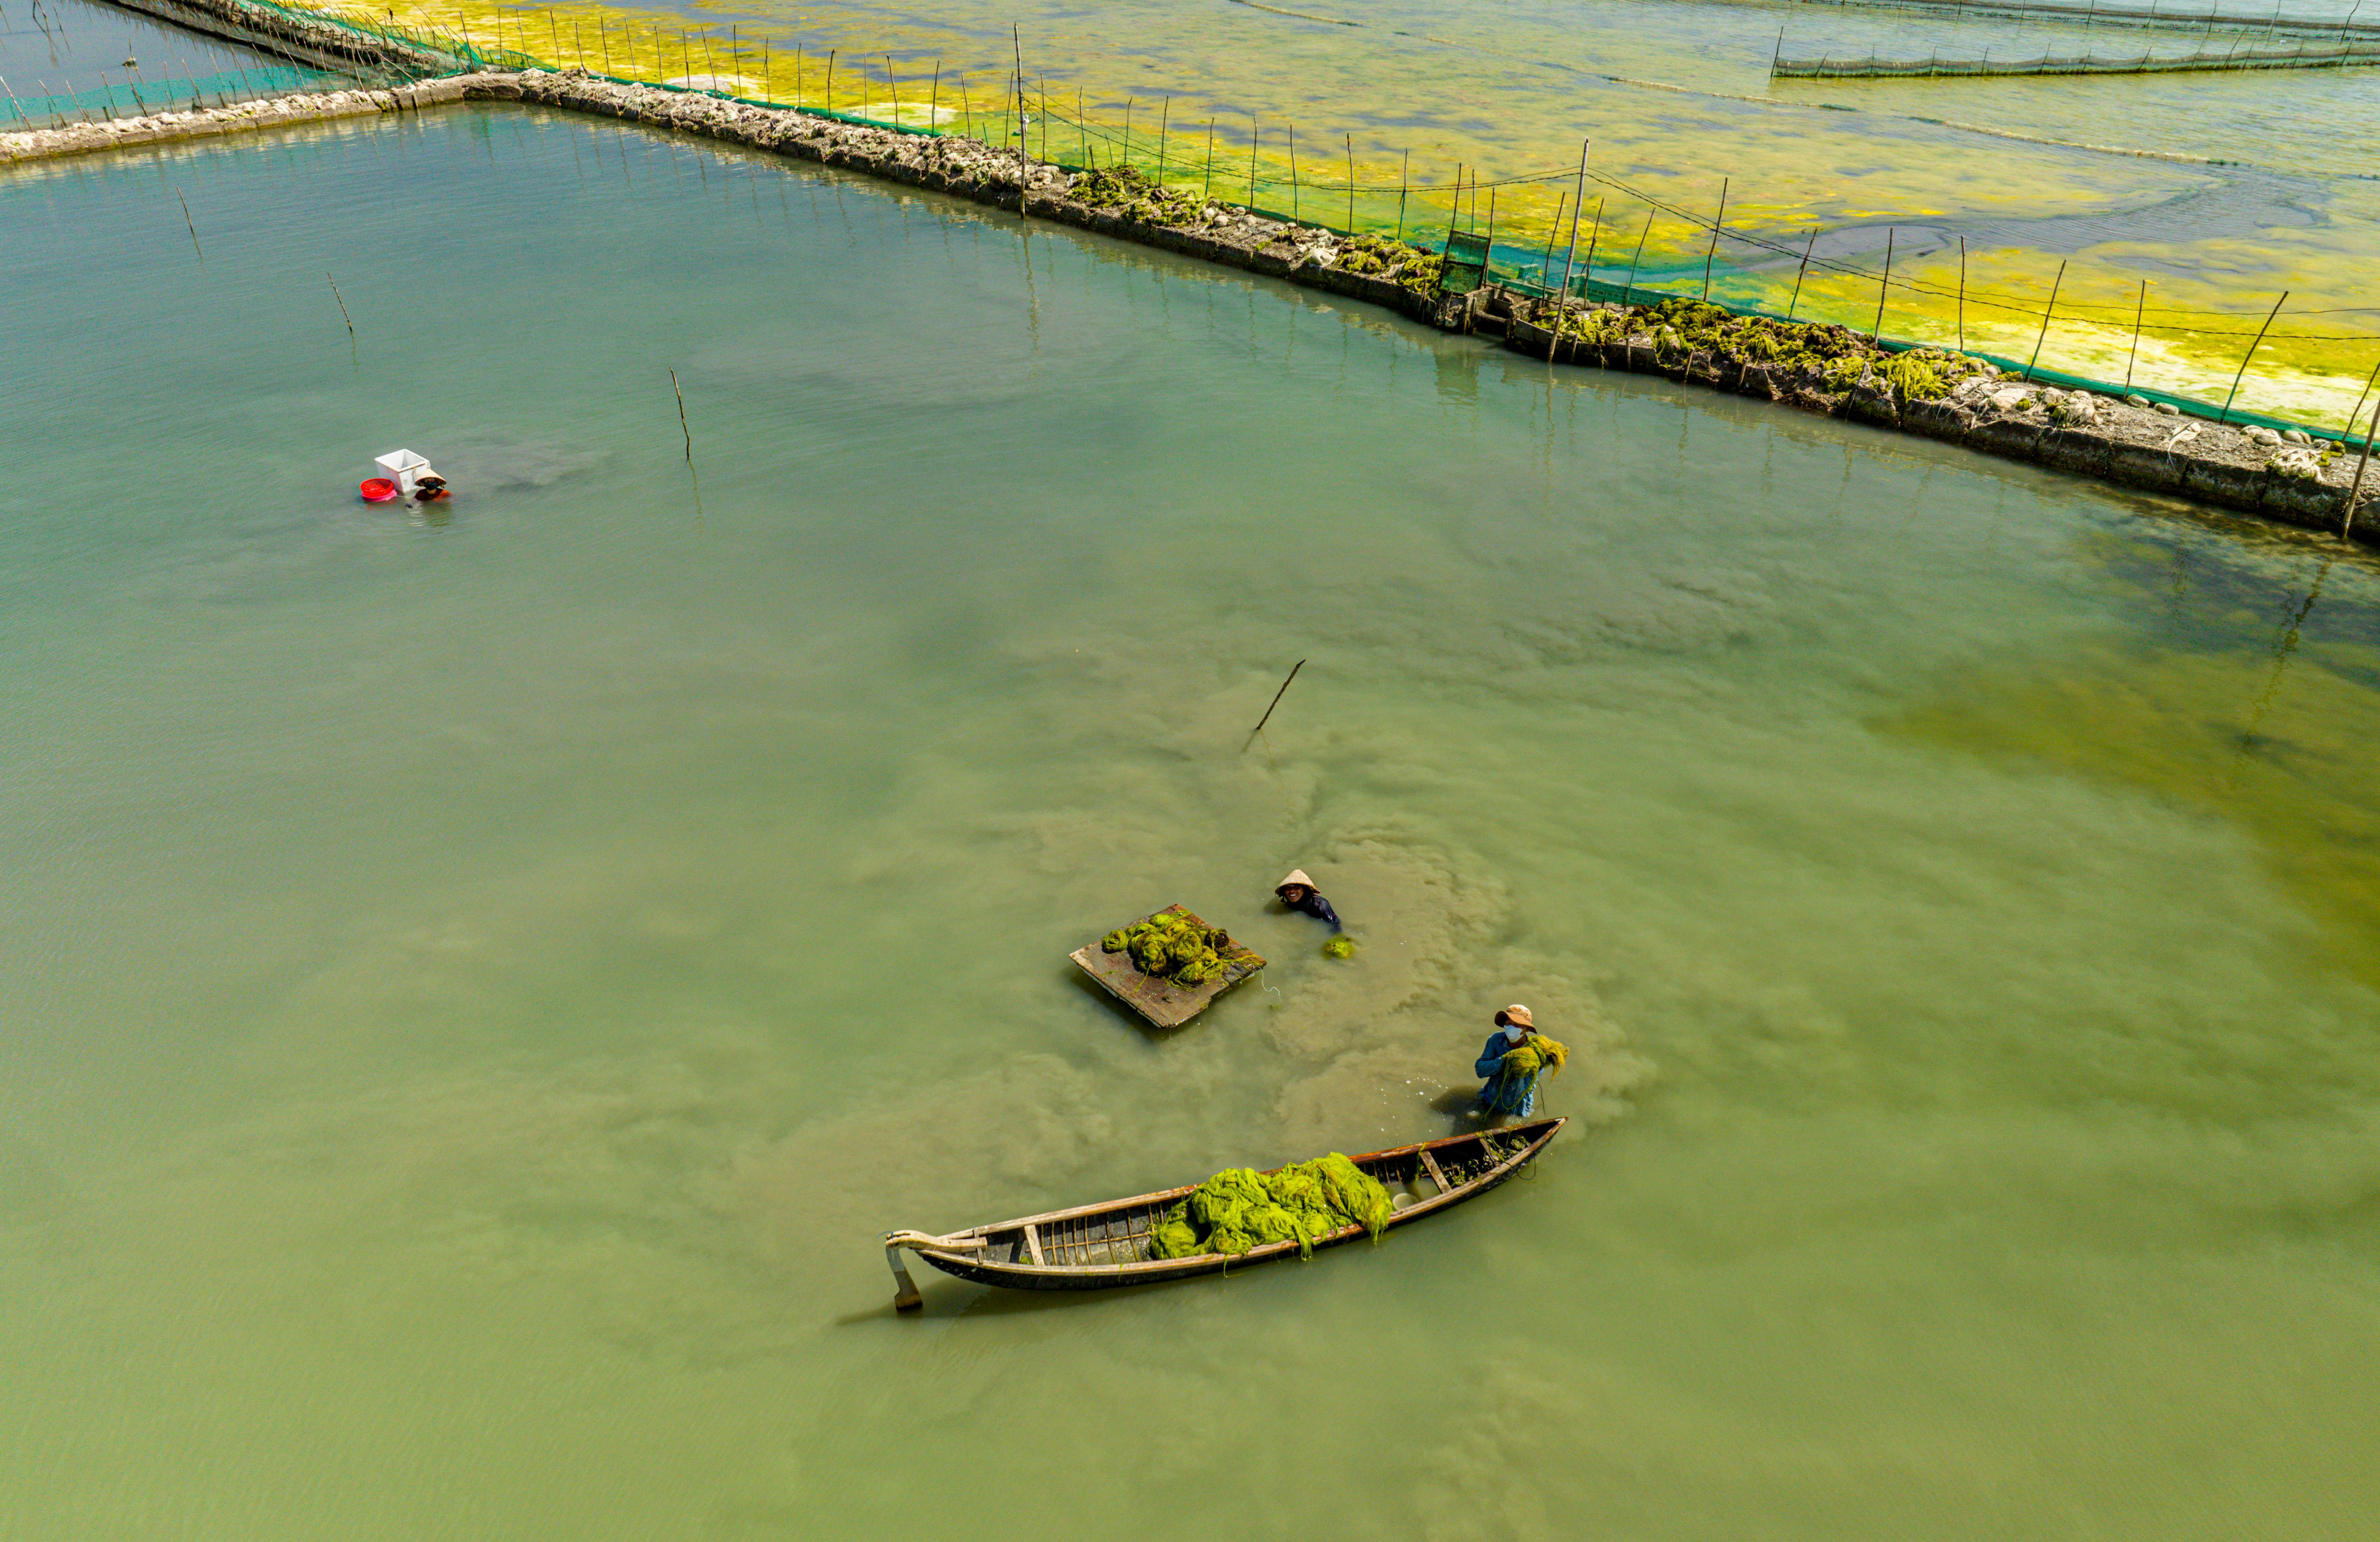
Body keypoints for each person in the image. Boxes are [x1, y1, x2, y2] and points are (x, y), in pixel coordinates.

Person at [1475, 1005, 1543, 1120]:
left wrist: (1519, 1063)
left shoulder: (1534, 1053)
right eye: (1508, 1023)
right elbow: (1480, 1070)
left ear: (1527, 1029)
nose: (1511, 1028)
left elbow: (1528, 1085)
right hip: (1490, 1096)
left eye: (1516, 1025)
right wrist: (1505, 1060)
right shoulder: (1495, 1040)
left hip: (1516, 1109)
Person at [1274, 869, 1342, 932]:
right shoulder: (1288, 904)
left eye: (1297, 888)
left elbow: (1335, 924)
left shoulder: (1321, 904)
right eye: (1288, 889)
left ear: (1304, 890)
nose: (1292, 891)